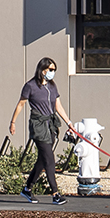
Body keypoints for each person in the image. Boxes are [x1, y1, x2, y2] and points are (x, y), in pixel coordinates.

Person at [6, 56, 71, 203]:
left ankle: (27, 189)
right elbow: (21, 104)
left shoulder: (52, 86)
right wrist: (13, 122)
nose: (53, 72)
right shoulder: (30, 86)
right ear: (42, 70)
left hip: (50, 125)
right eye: (50, 69)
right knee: (49, 159)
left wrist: (69, 123)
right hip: (38, 126)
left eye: (54, 70)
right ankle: (55, 194)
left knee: (42, 159)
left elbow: (58, 106)